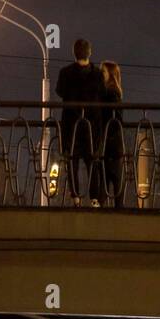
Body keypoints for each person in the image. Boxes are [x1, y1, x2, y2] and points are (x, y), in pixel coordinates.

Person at [55, 39, 104, 205]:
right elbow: (103, 96)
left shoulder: (65, 73)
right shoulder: (97, 74)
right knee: (92, 161)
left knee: (72, 161)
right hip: (92, 125)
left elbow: (60, 91)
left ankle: (75, 197)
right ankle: (95, 198)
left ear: (74, 53)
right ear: (89, 52)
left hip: (71, 124)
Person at [96, 61, 125, 207]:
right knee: (114, 181)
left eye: (103, 72)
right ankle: (118, 213)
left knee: (105, 181)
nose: (101, 75)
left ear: (111, 75)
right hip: (115, 145)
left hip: (110, 145)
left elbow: (113, 120)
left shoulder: (109, 93)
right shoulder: (114, 93)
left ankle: (104, 213)